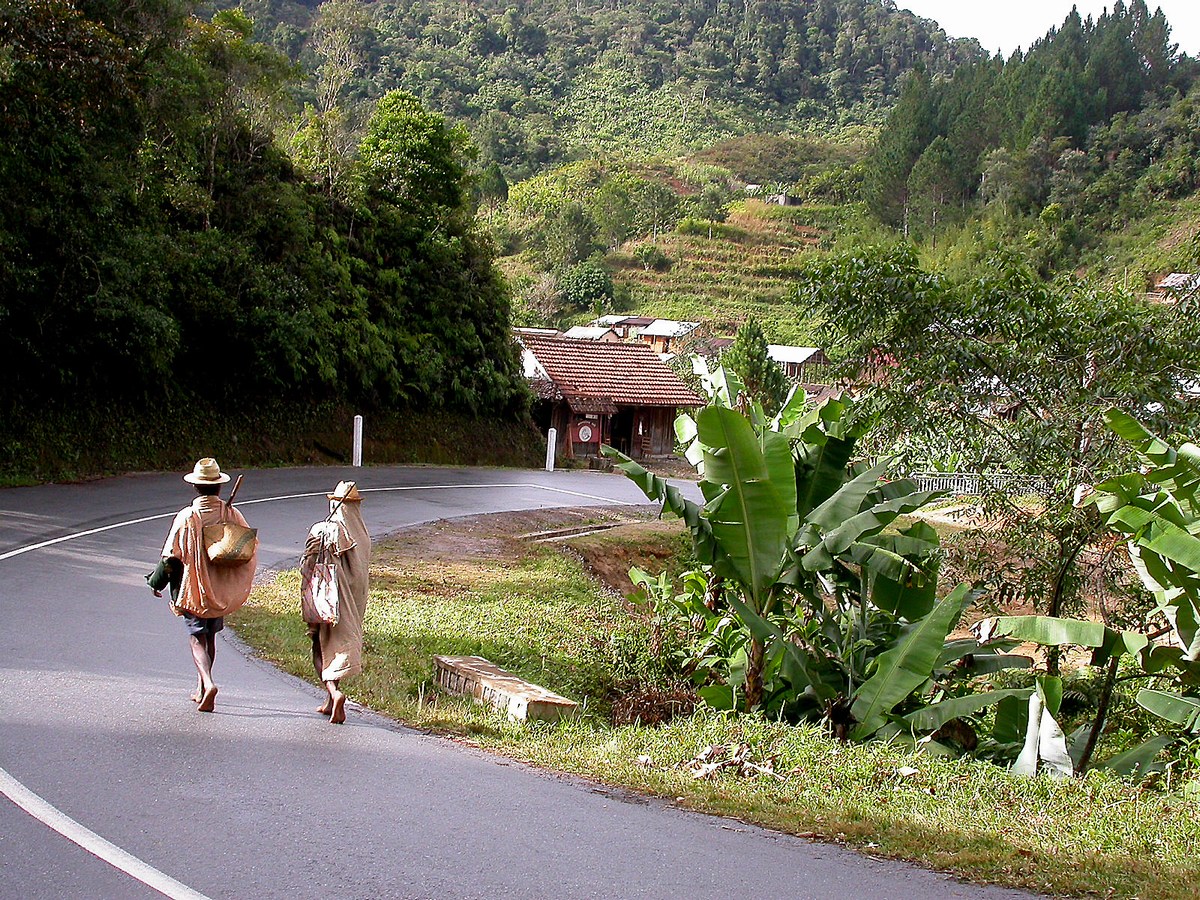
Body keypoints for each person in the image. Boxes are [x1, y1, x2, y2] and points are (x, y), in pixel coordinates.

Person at [147, 458, 258, 713]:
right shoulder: (231, 513)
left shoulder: (187, 516)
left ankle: (207, 683)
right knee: (210, 637)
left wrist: (157, 582)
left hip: (194, 588)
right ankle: (201, 687)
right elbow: (247, 545)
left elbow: (171, 556)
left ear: (195, 487)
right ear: (219, 487)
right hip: (220, 588)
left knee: (196, 638)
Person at [301, 480, 370, 724]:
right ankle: (330, 701)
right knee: (337, 644)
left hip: (326, 598)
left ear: (334, 504)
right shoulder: (362, 535)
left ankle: (334, 692)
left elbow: (307, 564)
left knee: (320, 646)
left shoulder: (323, 529)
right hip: (353, 600)